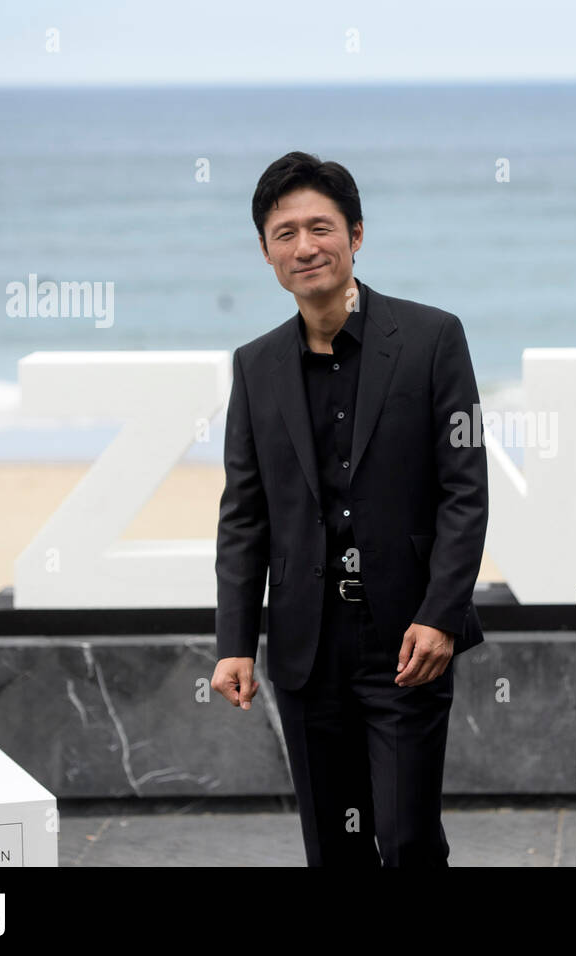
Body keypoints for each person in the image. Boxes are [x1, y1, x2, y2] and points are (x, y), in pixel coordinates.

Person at [211, 151, 488, 867]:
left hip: (405, 639)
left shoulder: (432, 339)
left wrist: (441, 614)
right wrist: (235, 641)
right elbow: (244, 513)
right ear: (267, 253)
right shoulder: (254, 365)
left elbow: (466, 489)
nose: (305, 247)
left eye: (321, 227)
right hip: (306, 646)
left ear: (356, 234)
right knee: (334, 848)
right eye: (285, 234)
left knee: (405, 838)